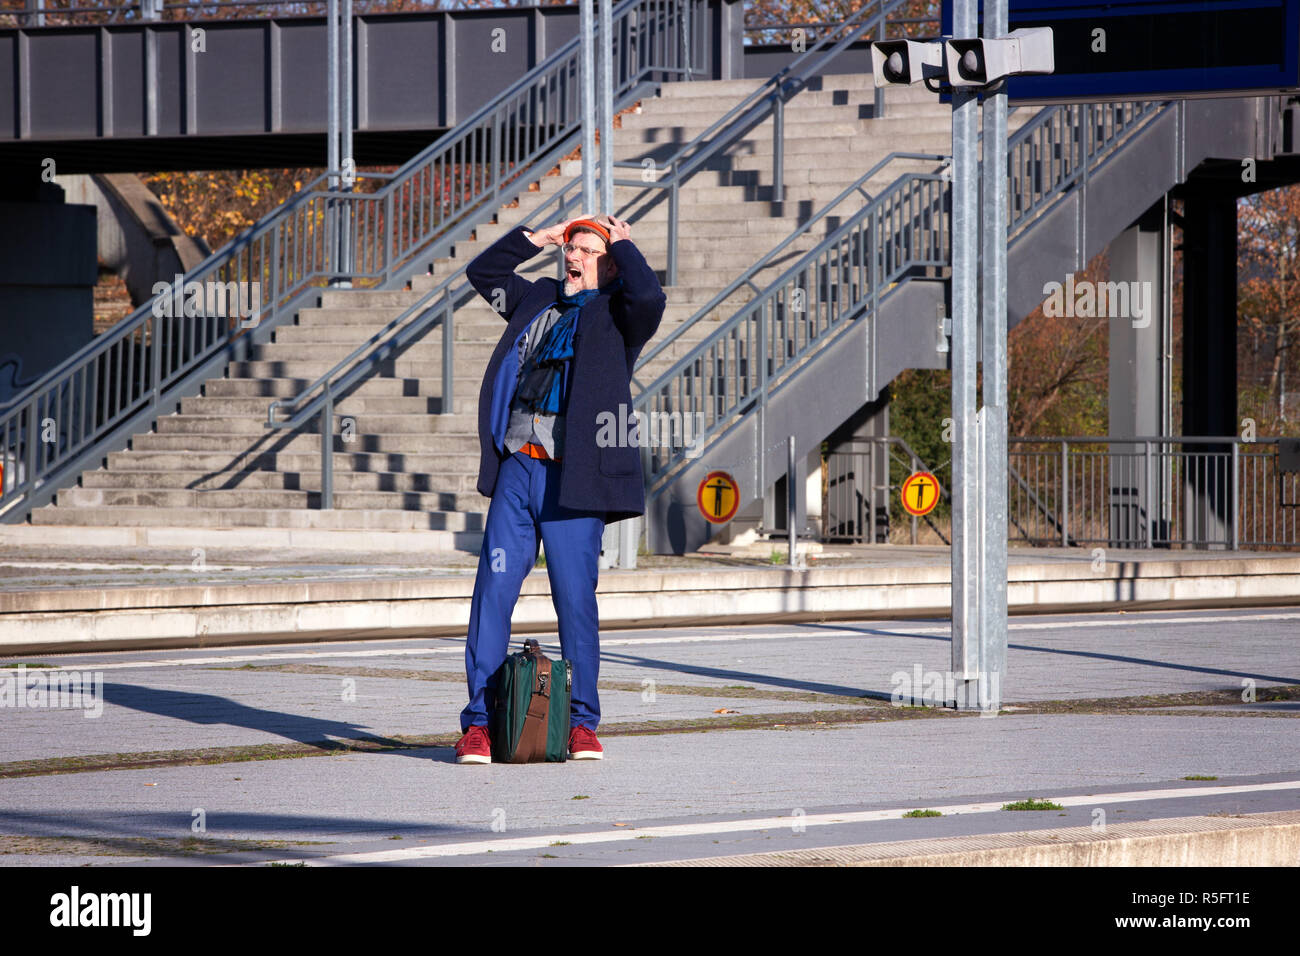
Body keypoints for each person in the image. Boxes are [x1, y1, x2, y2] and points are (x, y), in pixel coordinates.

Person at [454, 214, 666, 764]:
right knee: (492, 595)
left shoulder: (619, 315)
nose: (574, 256)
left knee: (575, 603)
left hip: (575, 482)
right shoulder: (538, 299)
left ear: (610, 263)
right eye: (571, 247)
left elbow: (649, 295)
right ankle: (478, 724)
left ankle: (581, 725)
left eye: (589, 251)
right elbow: (484, 271)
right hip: (518, 469)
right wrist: (535, 238)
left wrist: (622, 243)